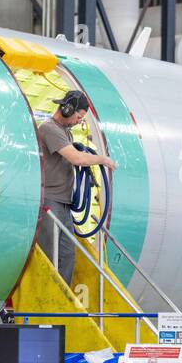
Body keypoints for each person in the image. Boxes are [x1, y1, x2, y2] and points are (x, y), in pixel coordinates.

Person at [37, 90, 117, 285]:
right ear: (67, 109)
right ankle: (46, 302)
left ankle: (62, 302)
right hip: (50, 200)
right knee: (51, 254)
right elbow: (76, 158)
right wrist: (102, 159)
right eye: (79, 116)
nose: (78, 121)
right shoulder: (49, 129)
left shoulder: (65, 132)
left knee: (67, 255)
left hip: (64, 203)